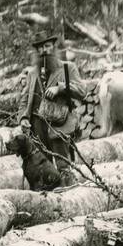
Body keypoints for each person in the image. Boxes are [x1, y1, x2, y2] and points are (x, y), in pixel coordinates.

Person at [20, 31, 85, 173]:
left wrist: (60, 88)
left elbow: (82, 91)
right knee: (44, 168)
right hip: (37, 128)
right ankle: (49, 194)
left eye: (47, 46)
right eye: (40, 48)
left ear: (53, 47)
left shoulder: (68, 68)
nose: (44, 51)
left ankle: (69, 192)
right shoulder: (32, 73)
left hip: (59, 125)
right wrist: (23, 118)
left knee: (64, 167)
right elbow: (25, 99)